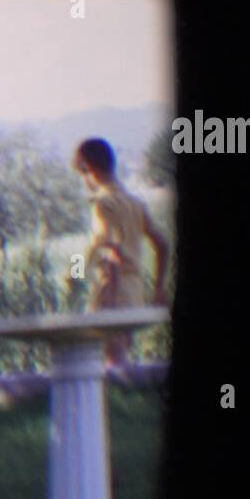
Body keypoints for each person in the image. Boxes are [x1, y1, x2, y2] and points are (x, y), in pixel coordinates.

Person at [73, 138, 170, 367]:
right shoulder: (134, 202)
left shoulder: (102, 204)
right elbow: (163, 244)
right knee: (117, 363)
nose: (83, 181)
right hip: (134, 292)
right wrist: (158, 288)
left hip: (112, 293)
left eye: (81, 174)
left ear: (90, 170)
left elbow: (110, 251)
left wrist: (109, 303)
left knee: (112, 368)